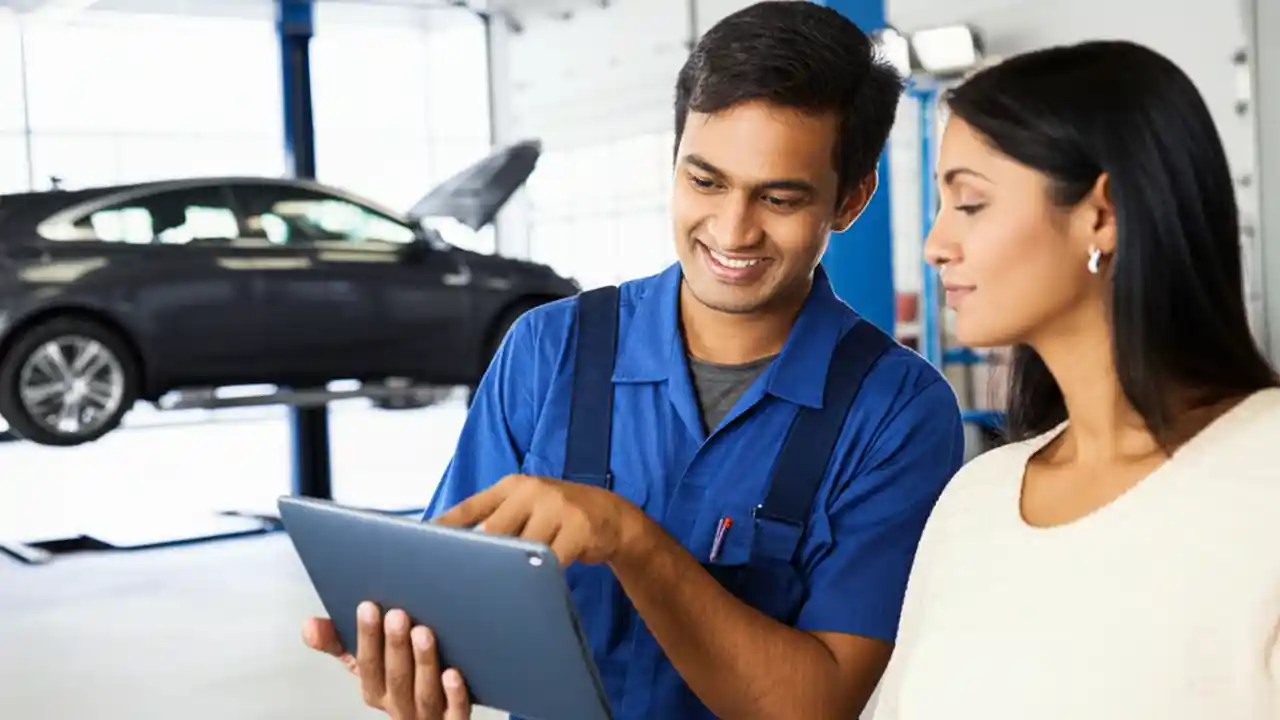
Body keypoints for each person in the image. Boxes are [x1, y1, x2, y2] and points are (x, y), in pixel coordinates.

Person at [302, 2, 965, 719]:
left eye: (778, 197)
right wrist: (410, 655)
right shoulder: (546, 351)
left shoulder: (897, 410)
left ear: (851, 200)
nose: (732, 229)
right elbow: (450, 589)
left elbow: (816, 705)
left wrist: (631, 540)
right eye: (704, 181)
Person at [871, 41, 1280, 720]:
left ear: (1103, 213)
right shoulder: (975, 502)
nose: (935, 244)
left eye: (969, 203)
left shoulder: (1263, 479)